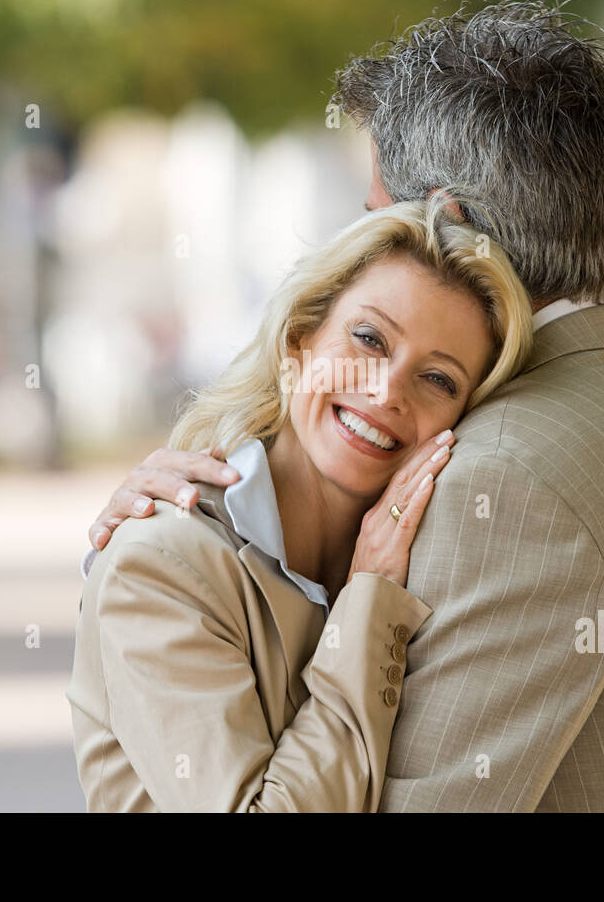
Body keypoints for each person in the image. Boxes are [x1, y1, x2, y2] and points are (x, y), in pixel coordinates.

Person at [85, 0, 604, 811]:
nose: (365, 239)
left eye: (376, 207)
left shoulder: (502, 475)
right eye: (369, 339)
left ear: (445, 224)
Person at [68, 194, 535, 810]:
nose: (386, 389)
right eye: (369, 338)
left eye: (439, 378)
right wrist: (369, 603)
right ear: (299, 341)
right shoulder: (163, 564)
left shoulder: (431, 568)